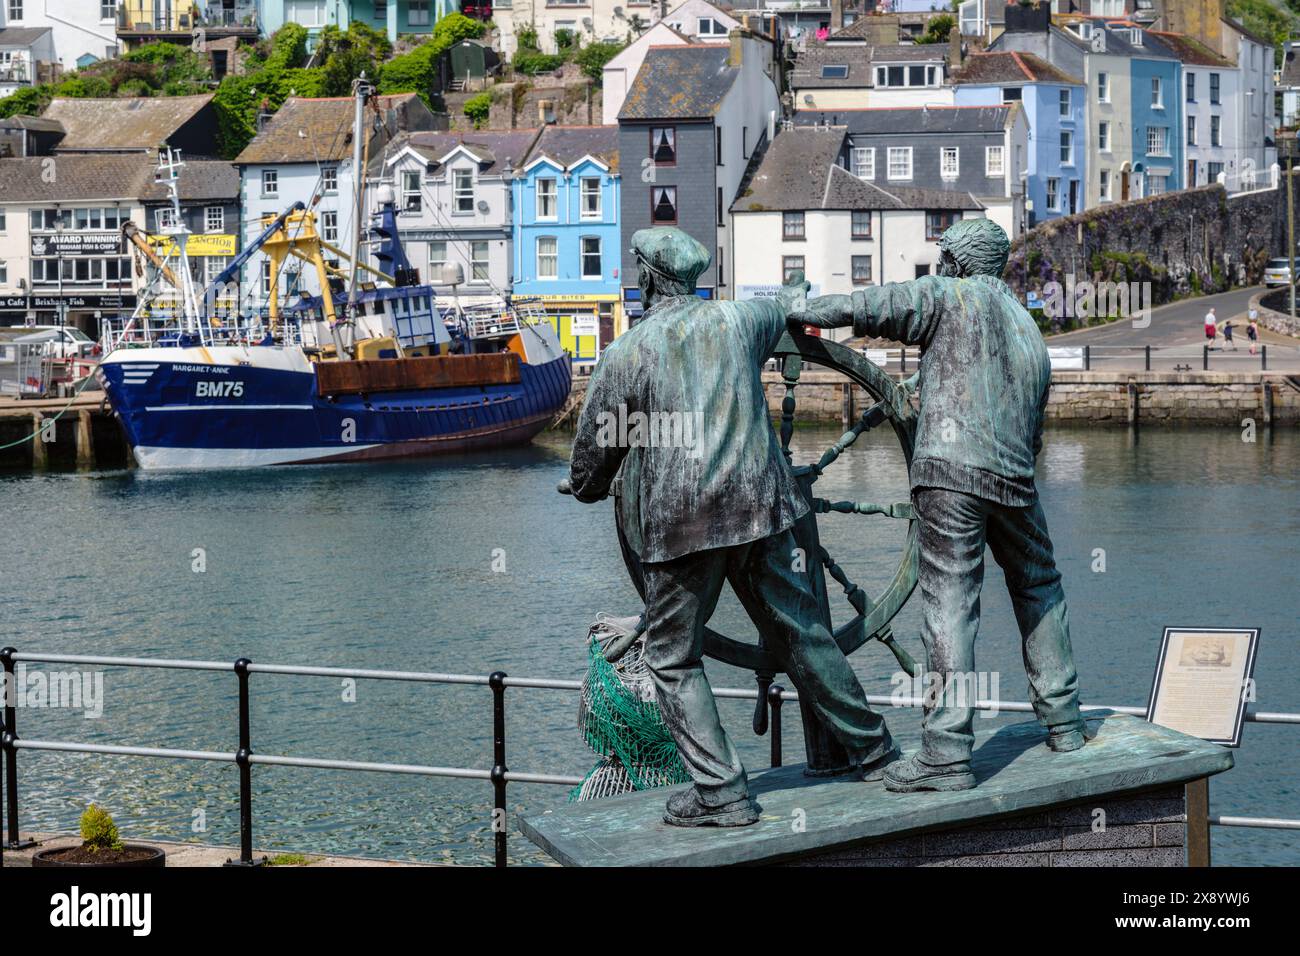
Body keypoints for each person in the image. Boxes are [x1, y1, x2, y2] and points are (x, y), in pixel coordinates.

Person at [567, 227, 897, 826]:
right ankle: (872, 748)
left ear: (646, 278)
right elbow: (792, 305)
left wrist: (603, 472)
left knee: (671, 658)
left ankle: (721, 793)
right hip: (763, 509)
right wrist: (797, 289)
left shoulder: (626, 355)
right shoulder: (740, 321)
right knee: (804, 636)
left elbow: (590, 475)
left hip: (683, 527)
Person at [791, 218, 1085, 793]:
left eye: (942, 257)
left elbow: (870, 305)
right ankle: (1065, 723)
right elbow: (1036, 429)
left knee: (950, 604)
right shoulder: (1029, 329)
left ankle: (947, 754)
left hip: (950, 474)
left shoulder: (947, 296)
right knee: (1040, 586)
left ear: (953, 262)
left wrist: (796, 309)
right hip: (1015, 478)